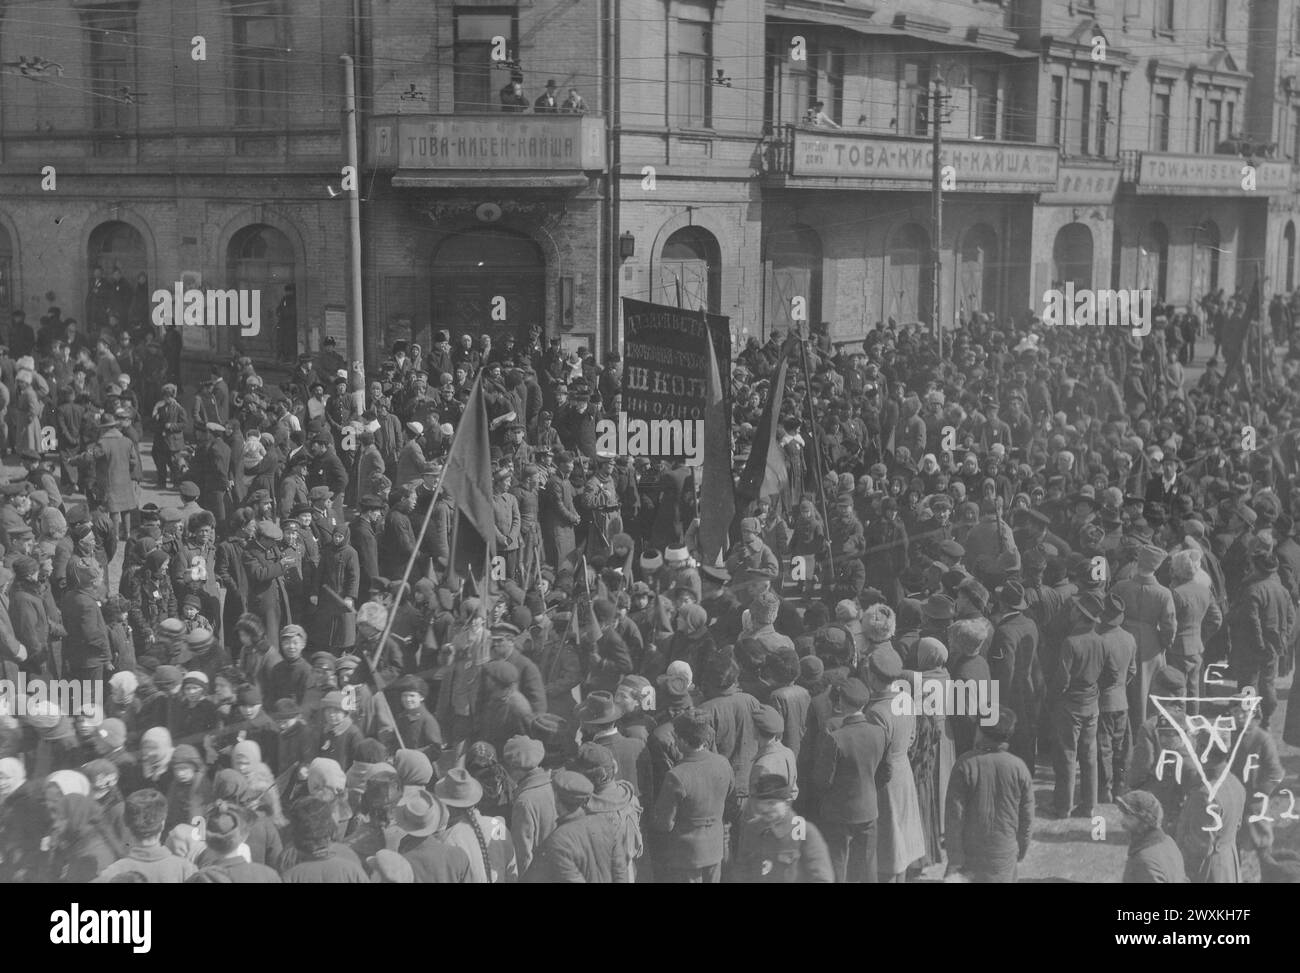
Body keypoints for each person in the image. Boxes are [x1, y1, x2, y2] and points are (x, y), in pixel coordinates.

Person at [944, 708, 1033, 883]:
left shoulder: (965, 764)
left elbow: (954, 817)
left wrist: (955, 859)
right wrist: (1020, 850)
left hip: (971, 857)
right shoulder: (1019, 768)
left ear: (980, 731)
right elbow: (1027, 818)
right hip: (1004, 855)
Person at [813, 677, 887, 883]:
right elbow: (885, 772)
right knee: (866, 866)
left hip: (838, 812)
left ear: (841, 703)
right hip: (869, 808)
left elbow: (822, 781)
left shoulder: (835, 738)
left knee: (838, 865)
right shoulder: (880, 733)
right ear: (864, 703)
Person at [647, 711, 735, 883]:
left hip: (686, 855)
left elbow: (665, 823)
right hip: (715, 848)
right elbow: (730, 800)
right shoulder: (723, 762)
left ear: (681, 740)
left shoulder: (676, 775)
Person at [1118, 790, 1187, 883]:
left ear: (1145, 822)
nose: (1122, 822)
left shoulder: (1143, 861)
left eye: (1129, 818)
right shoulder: (1168, 842)